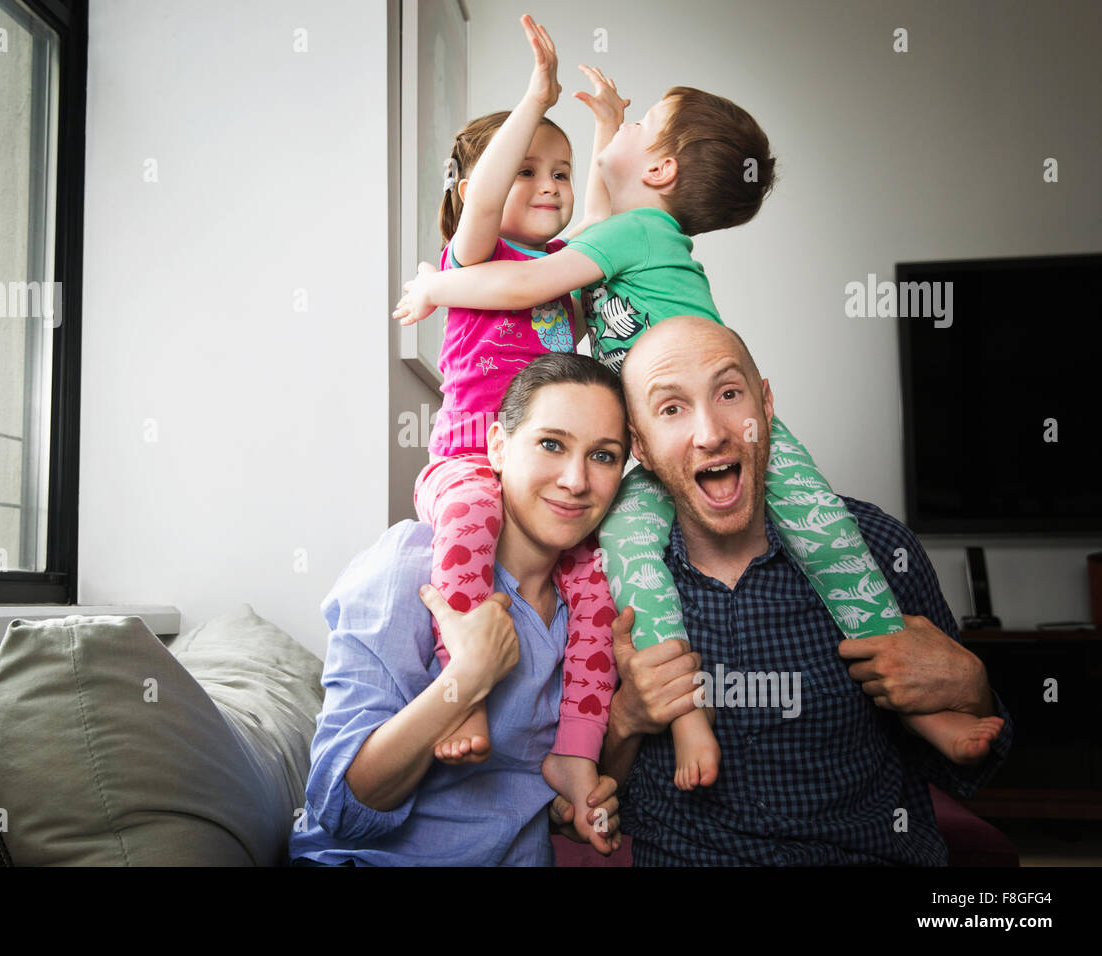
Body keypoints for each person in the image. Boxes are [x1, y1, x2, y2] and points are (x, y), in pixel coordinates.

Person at [394, 76, 996, 787]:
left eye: (641, 124)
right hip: (653, 460)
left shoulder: (641, 232)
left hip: (698, 443)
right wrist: (608, 126)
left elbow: (534, 279)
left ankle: (924, 708)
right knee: (638, 563)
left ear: (660, 168)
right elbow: (588, 228)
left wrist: (436, 287)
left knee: (833, 539)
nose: (616, 139)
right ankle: (688, 719)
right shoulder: (627, 238)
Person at [585, 316, 1013, 865]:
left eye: (729, 393)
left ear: (765, 405)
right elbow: (582, 806)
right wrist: (626, 719)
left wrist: (972, 686)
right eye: (672, 409)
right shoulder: (605, 580)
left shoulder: (877, 548)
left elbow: (969, 765)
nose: (711, 432)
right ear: (639, 444)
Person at [406, 14, 629, 842]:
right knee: (466, 518)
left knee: (598, 594)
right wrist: (535, 98)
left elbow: (604, 221)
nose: (549, 184)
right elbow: (488, 192)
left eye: (561, 173)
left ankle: (573, 751)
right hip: (470, 461)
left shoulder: (566, 270)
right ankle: (459, 685)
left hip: (550, 481)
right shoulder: (473, 266)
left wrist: (605, 132)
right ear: (480, 187)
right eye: (529, 168)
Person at [289, 354, 629, 865]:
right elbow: (342, 807)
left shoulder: (592, 611)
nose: (576, 480)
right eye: (551, 444)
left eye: (603, 456)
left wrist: (625, 727)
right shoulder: (409, 569)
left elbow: (554, 795)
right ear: (497, 446)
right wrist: (466, 680)